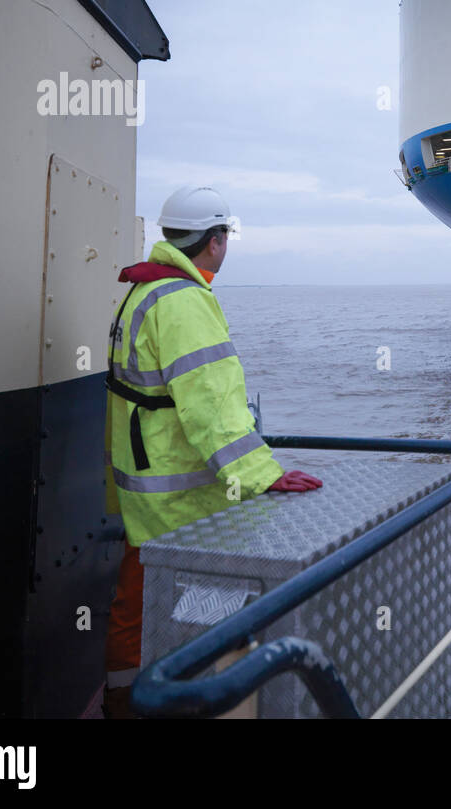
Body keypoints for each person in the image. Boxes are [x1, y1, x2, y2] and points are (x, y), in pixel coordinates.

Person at [102, 186, 321, 716]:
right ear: (216, 240)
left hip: (144, 481)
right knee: (191, 603)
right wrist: (262, 473)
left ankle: (124, 697)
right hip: (181, 492)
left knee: (139, 594)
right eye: (226, 236)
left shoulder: (144, 291)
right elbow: (212, 406)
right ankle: (173, 700)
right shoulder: (182, 302)